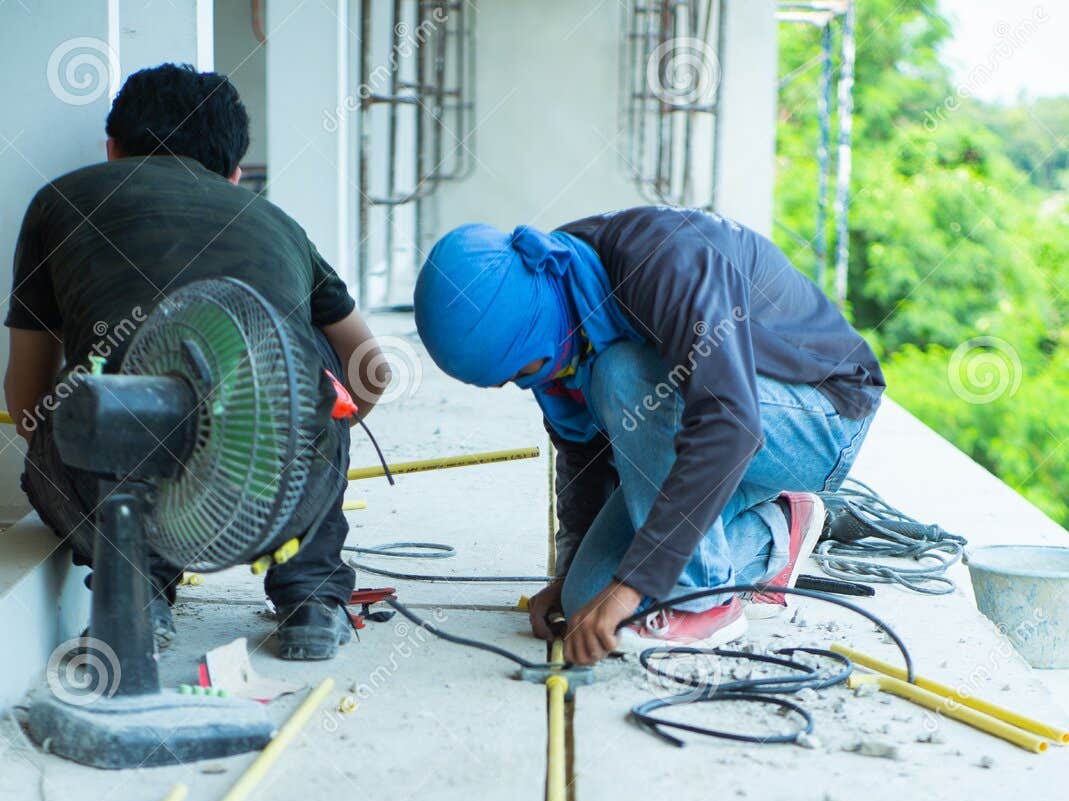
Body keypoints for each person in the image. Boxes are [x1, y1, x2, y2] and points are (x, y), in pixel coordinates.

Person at [4, 62, 389, 661]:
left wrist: (72, 452)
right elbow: (373, 371)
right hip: (276, 492)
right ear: (234, 174)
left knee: (82, 388)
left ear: (112, 149)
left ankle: (136, 591)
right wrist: (322, 431)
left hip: (113, 485)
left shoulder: (60, 199)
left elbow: (26, 396)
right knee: (305, 360)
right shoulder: (275, 221)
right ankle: (310, 596)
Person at [413, 208, 884, 664]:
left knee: (623, 375)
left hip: (818, 419)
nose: (528, 382)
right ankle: (780, 528)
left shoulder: (664, 259)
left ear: (538, 320)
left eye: (526, 366)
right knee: (589, 605)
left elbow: (728, 423)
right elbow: (582, 452)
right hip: (712, 433)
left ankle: (703, 604)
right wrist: (570, 576)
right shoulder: (560, 294)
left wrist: (635, 584)